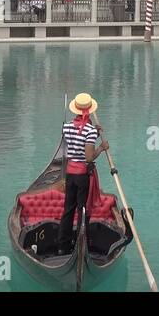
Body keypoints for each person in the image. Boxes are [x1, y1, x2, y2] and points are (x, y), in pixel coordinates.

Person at [58, 93, 110, 255]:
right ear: (89, 110)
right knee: (83, 209)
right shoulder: (89, 131)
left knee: (68, 209)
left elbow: (75, 139)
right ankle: (81, 244)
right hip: (82, 176)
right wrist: (101, 148)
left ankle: (62, 246)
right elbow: (89, 157)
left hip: (69, 174)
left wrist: (93, 130)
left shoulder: (65, 127)